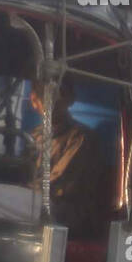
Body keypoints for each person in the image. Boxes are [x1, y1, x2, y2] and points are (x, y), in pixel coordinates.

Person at [28, 74, 106, 239]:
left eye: (58, 94)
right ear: (34, 100)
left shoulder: (81, 138)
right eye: (44, 94)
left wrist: (22, 190)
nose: (52, 101)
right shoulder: (33, 136)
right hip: (34, 202)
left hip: (67, 214)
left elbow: (58, 182)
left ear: (70, 99)